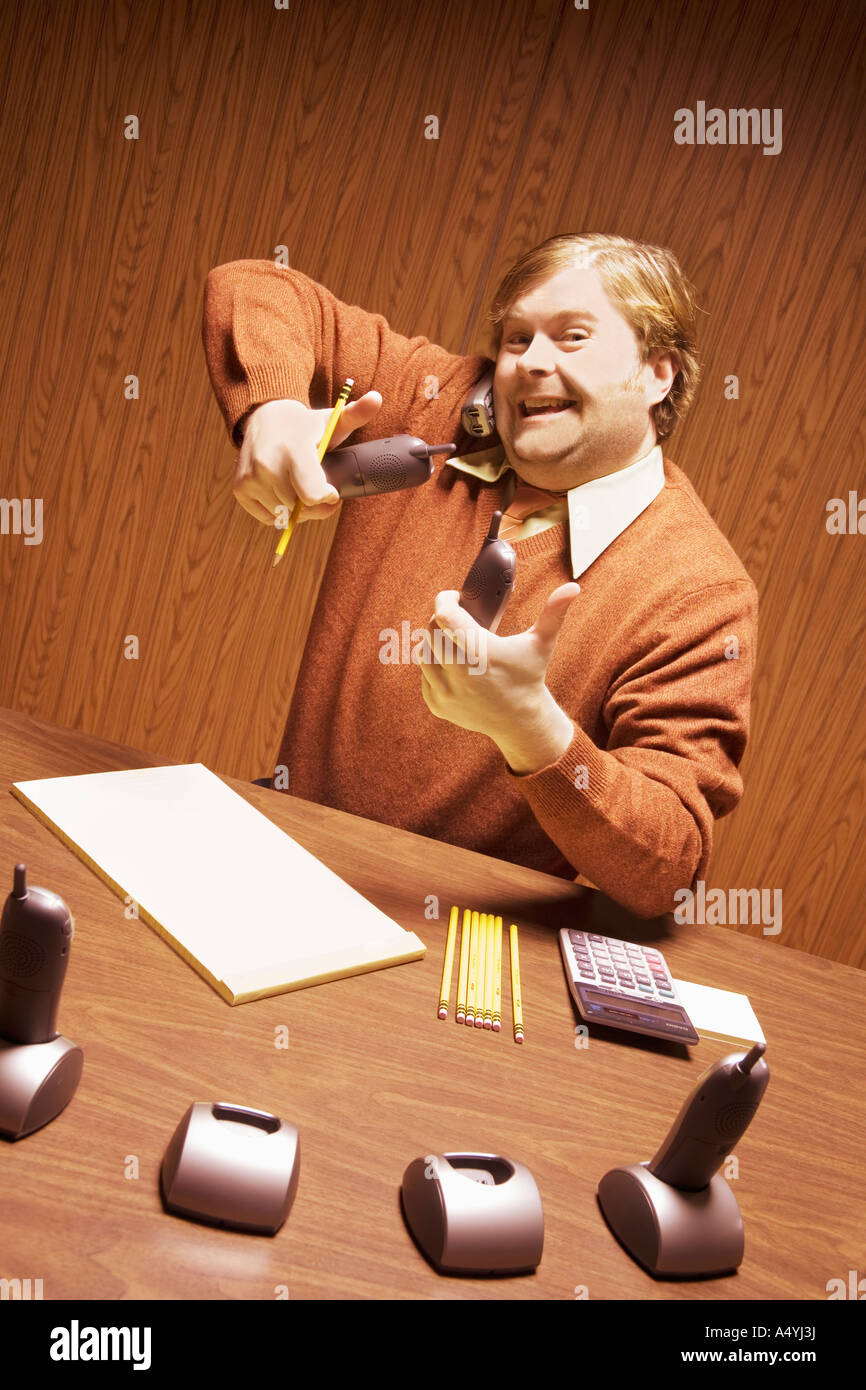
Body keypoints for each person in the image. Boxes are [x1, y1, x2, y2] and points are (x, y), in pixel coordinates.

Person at [201, 232, 758, 919]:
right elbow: (254, 285)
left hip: (462, 942)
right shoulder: (434, 401)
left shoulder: (700, 593)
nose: (531, 363)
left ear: (657, 373)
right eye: (518, 338)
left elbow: (666, 869)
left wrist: (534, 731)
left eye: (572, 337)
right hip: (287, 861)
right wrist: (274, 407)